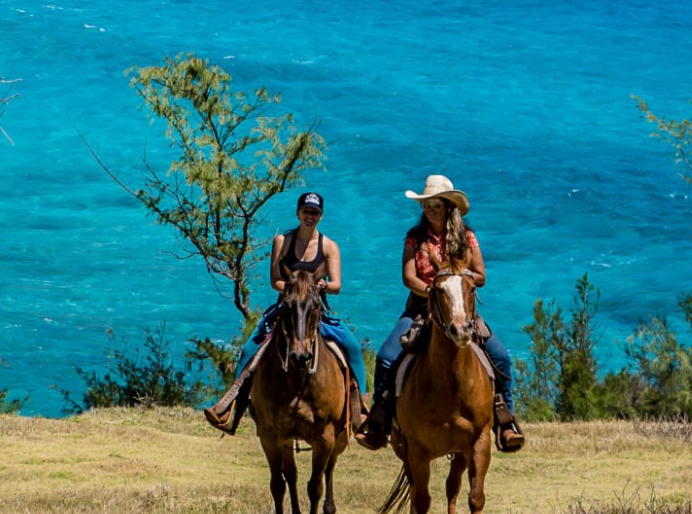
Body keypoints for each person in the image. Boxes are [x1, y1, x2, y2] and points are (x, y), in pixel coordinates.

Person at [355, 174, 525, 452]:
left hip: (458, 307)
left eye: (436, 203)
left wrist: (455, 284)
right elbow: (409, 277)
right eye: (426, 203)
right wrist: (434, 292)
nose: (430, 208)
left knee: (501, 358)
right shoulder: (414, 237)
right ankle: (379, 421)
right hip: (421, 307)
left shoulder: (467, 237)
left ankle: (505, 422)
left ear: (448, 205)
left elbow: (481, 275)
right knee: (386, 357)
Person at [201, 191, 363, 434]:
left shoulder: (329, 246)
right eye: (306, 211)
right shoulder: (282, 241)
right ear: (298, 213)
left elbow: (337, 285)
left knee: (353, 348)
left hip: (316, 309)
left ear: (321, 215)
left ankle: (361, 411)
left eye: (315, 212)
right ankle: (231, 409)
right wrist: (293, 290)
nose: (310, 216)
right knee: (248, 350)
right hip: (286, 307)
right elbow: (275, 280)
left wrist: (319, 287)